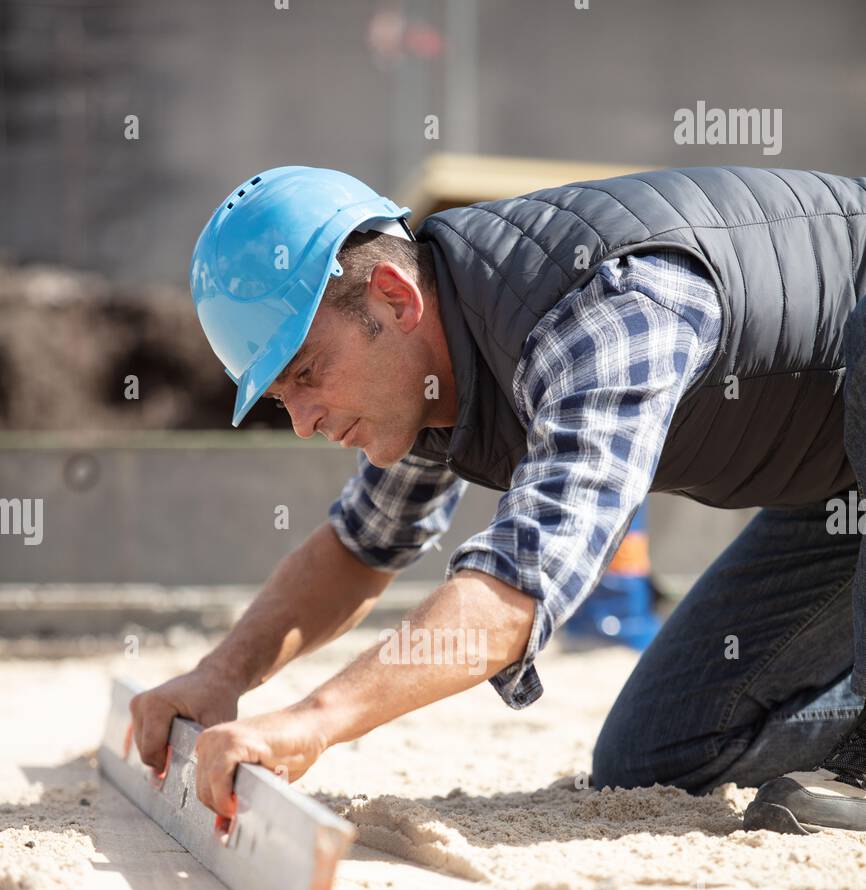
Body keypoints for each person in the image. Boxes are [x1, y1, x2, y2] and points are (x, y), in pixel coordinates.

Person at [132, 164, 866, 835]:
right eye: (279, 395)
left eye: (308, 373)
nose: (302, 422)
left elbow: (519, 588)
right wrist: (221, 675)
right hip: (840, 488)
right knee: (664, 751)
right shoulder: (427, 368)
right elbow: (364, 544)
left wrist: (314, 721)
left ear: (393, 296)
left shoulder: (608, 307)